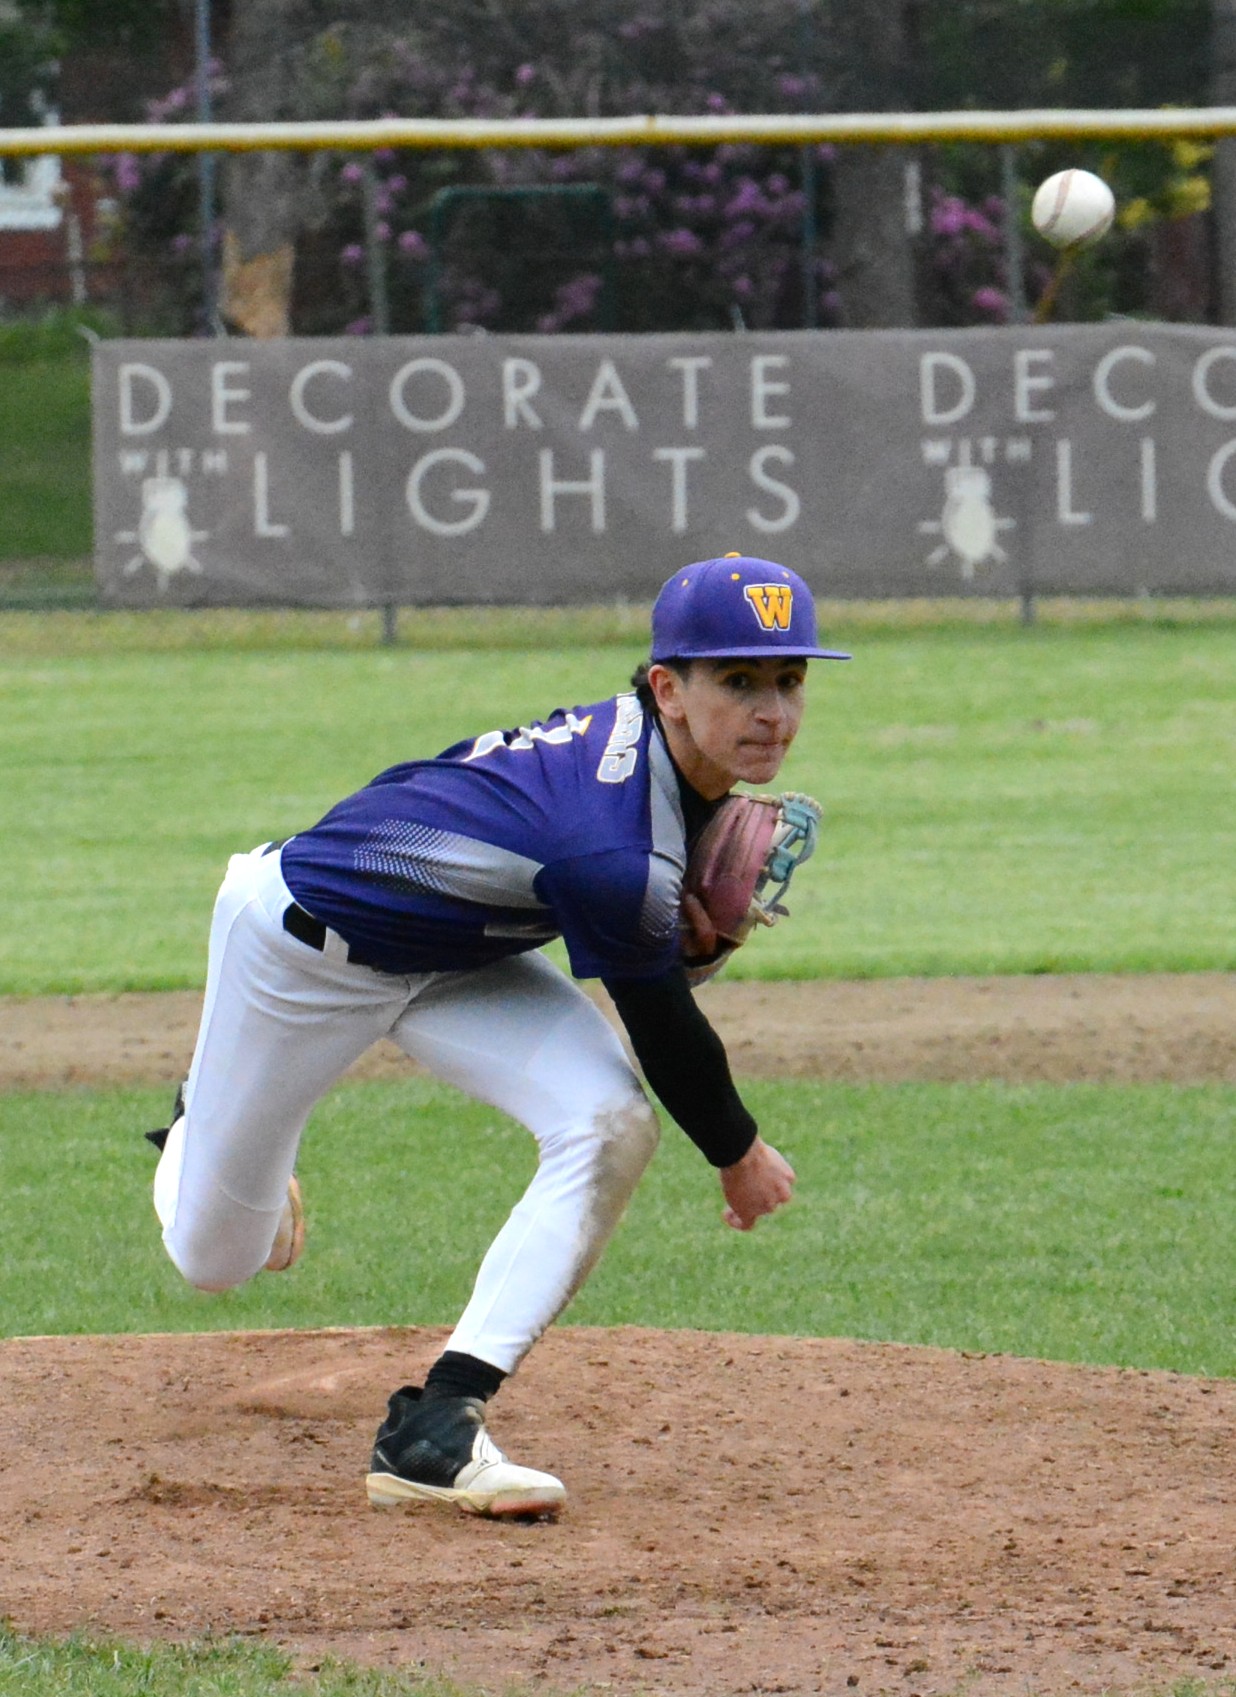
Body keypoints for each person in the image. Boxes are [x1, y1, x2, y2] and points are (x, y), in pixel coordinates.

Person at [148, 553, 849, 1518]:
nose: (772, 709)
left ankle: (435, 1425)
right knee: (215, 1259)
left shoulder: (662, 766)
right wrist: (739, 1152)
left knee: (607, 1121)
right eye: (738, 680)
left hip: (453, 959)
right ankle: (200, 1120)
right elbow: (663, 1023)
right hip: (299, 955)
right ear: (667, 689)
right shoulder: (610, 843)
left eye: (789, 679)